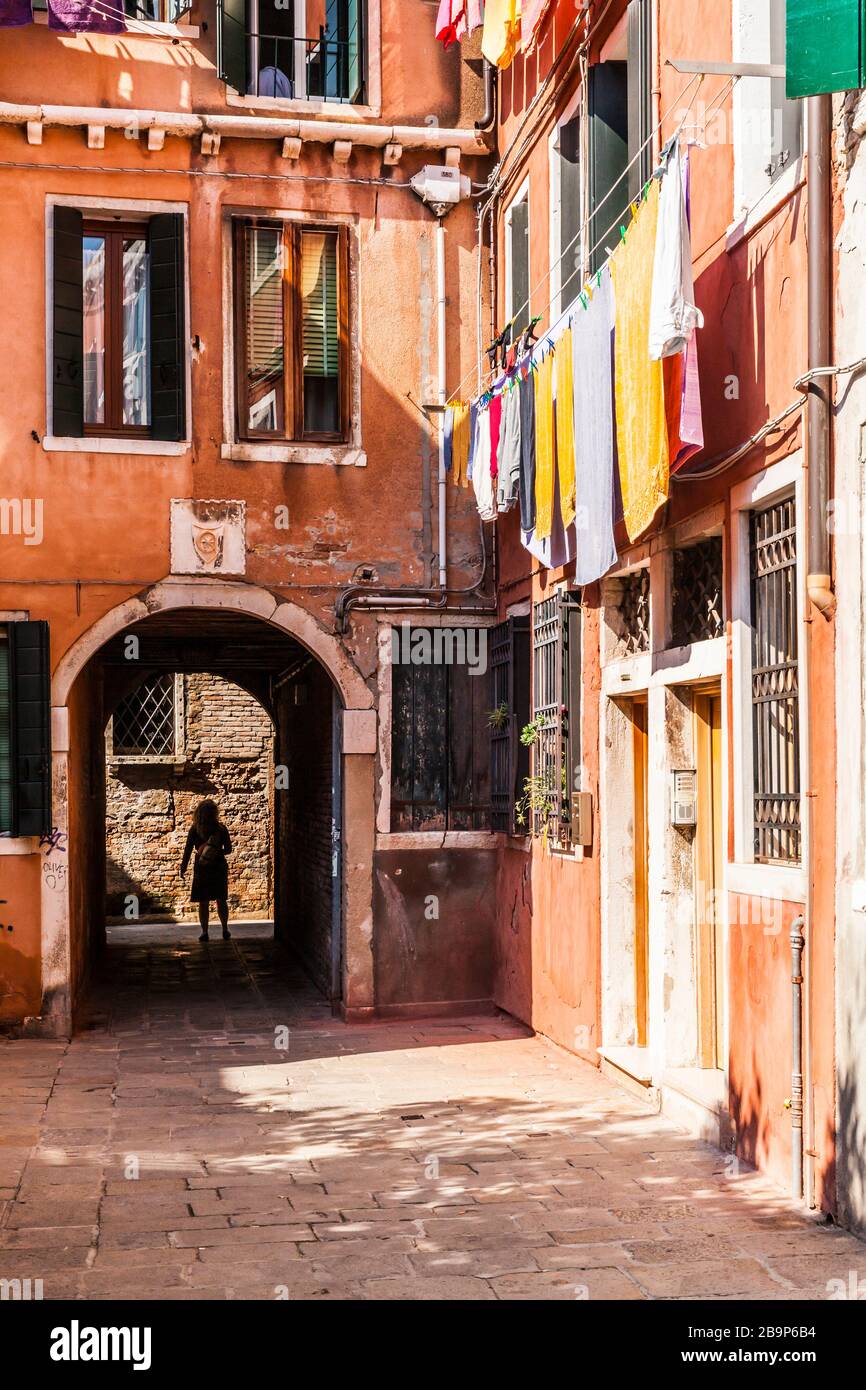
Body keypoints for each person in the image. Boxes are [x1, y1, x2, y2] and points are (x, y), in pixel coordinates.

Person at [180, 799, 232, 942]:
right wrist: (215, 851)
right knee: (221, 899)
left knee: (203, 901)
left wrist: (183, 867)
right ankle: (225, 929)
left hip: (201, 868)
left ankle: (204, 932)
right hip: (218, 866)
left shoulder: (194, 829)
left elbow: (188, 850)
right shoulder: (221, 829)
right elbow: (228, 850)